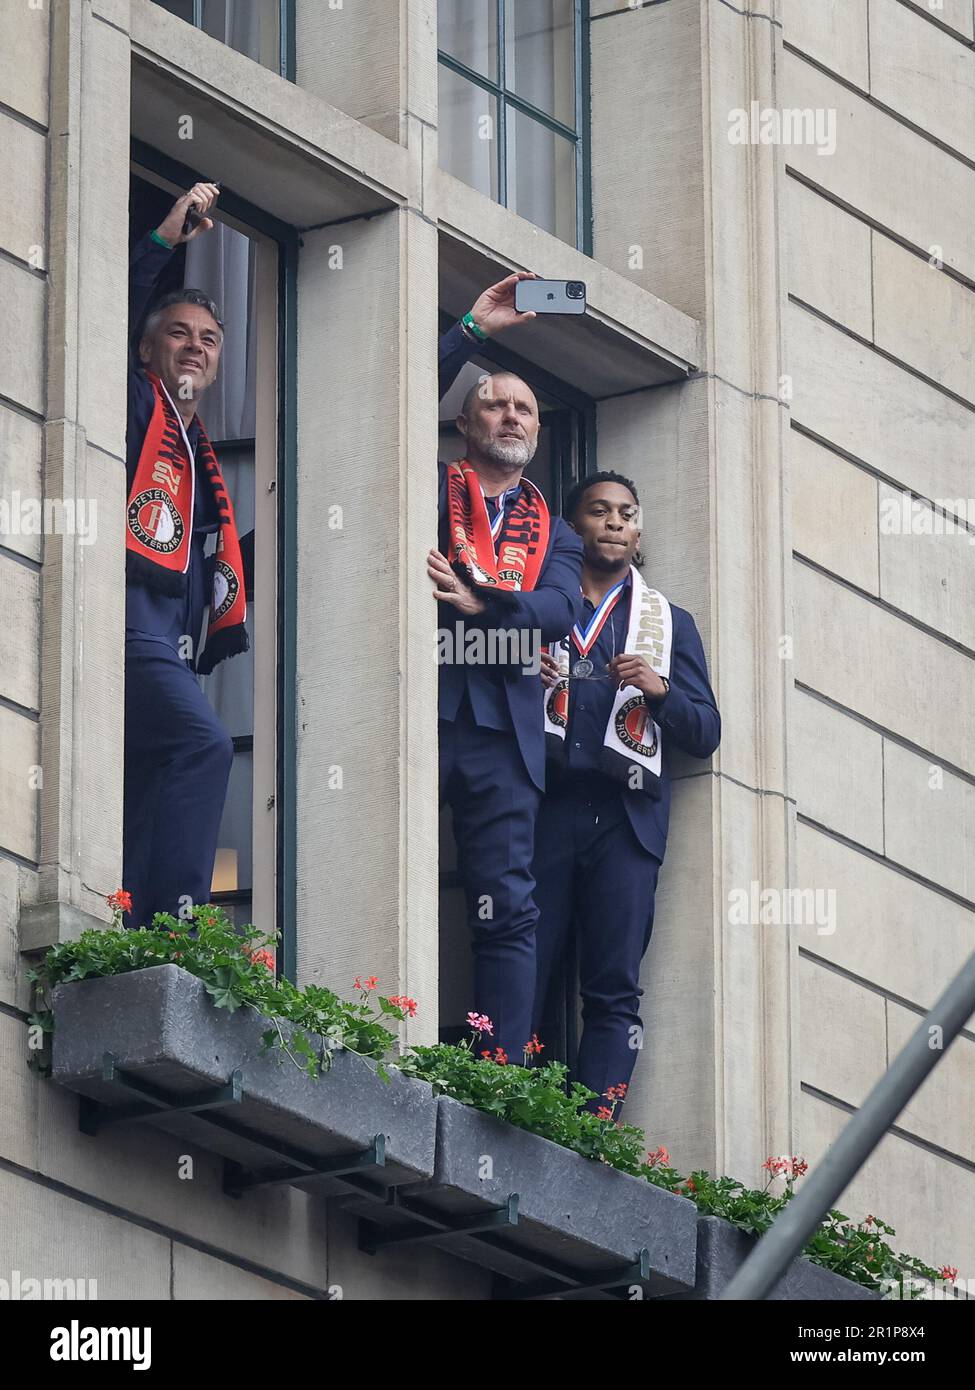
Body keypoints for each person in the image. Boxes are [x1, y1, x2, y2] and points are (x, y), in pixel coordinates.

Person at [532, 471, 720, 1113]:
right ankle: (504, 1103)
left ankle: (594, 1127)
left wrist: (662, 692)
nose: (613, 521)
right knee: (524, 960)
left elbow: (707, 731)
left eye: (626, 513)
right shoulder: (541, 603)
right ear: (573, 526)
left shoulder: (669, 623)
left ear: (638, 535)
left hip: (626, 821)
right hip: (544, 808)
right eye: (598, 510)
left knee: (614, 986)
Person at [435, 276, 584, 1060]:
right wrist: (470, 329)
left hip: (506, 735)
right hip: (421, 704)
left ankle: (498, 1073)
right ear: (464, 423)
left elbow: (559, 611)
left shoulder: (553, 530)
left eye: (524, 409)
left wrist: (482, 603)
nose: (511, 416)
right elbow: (381, 401)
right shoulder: (429, 487)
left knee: (506, 909)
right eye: (495, 404)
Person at [123, 182, 247, 931]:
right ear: (146, 350)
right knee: (203, 745)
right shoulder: (136, 405)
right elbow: (90, 319)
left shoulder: (200, 451)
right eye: (178, 333)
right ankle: (177, 933)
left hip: (173, 646)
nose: (195, 345)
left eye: (208, 338)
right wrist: (162, 243)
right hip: (127, 631)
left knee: (149, 783)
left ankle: (127, 931)